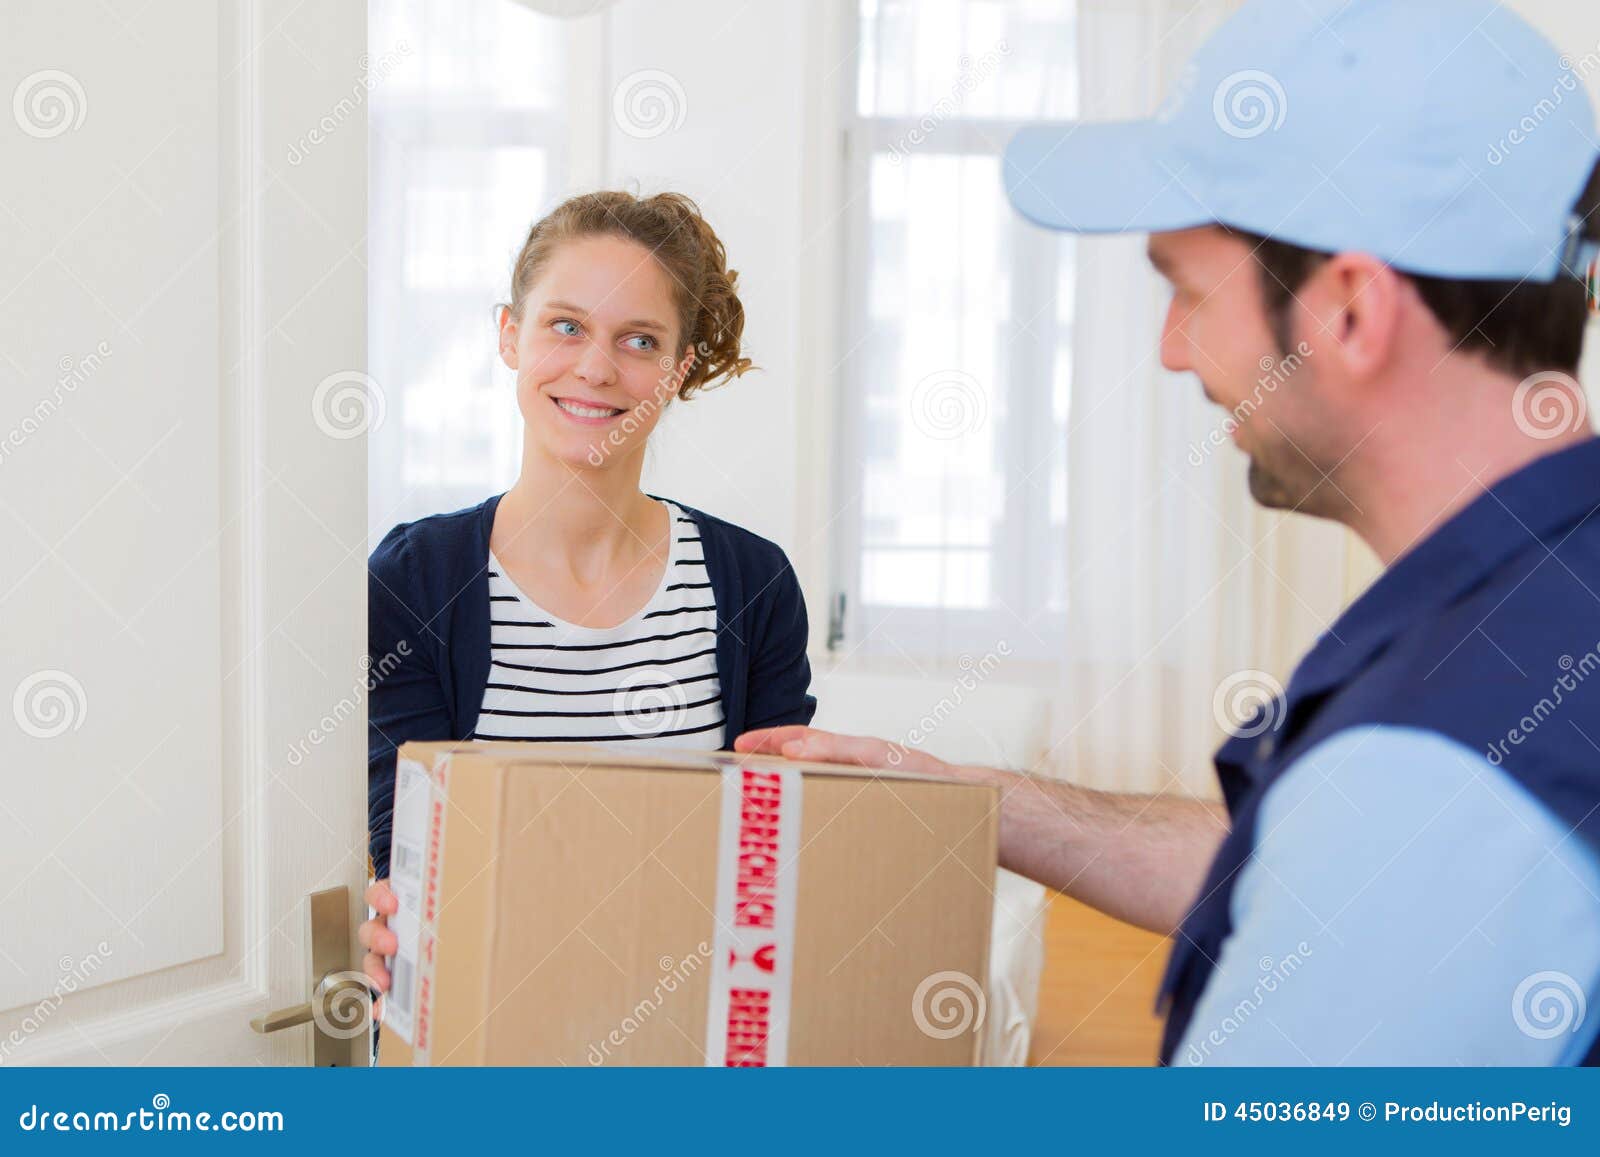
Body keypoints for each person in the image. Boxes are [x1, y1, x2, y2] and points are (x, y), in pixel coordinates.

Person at [741, 0, 1600, 1065]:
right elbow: (1310, 871)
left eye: (1188, 292)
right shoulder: (1543, 610)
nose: (1170, 350)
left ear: (1347, 310)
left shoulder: (1432, 768)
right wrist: (971, 803)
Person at [360, 191, 816, 1014]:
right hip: (476, 1025)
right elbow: (402, 847)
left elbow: (770, 851)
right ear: (510, 335)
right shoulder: (413, 579)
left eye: (638, 341)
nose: (596, 368)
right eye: (565, 325)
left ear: (678, 371)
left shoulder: (753, 584)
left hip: (682, 1034)